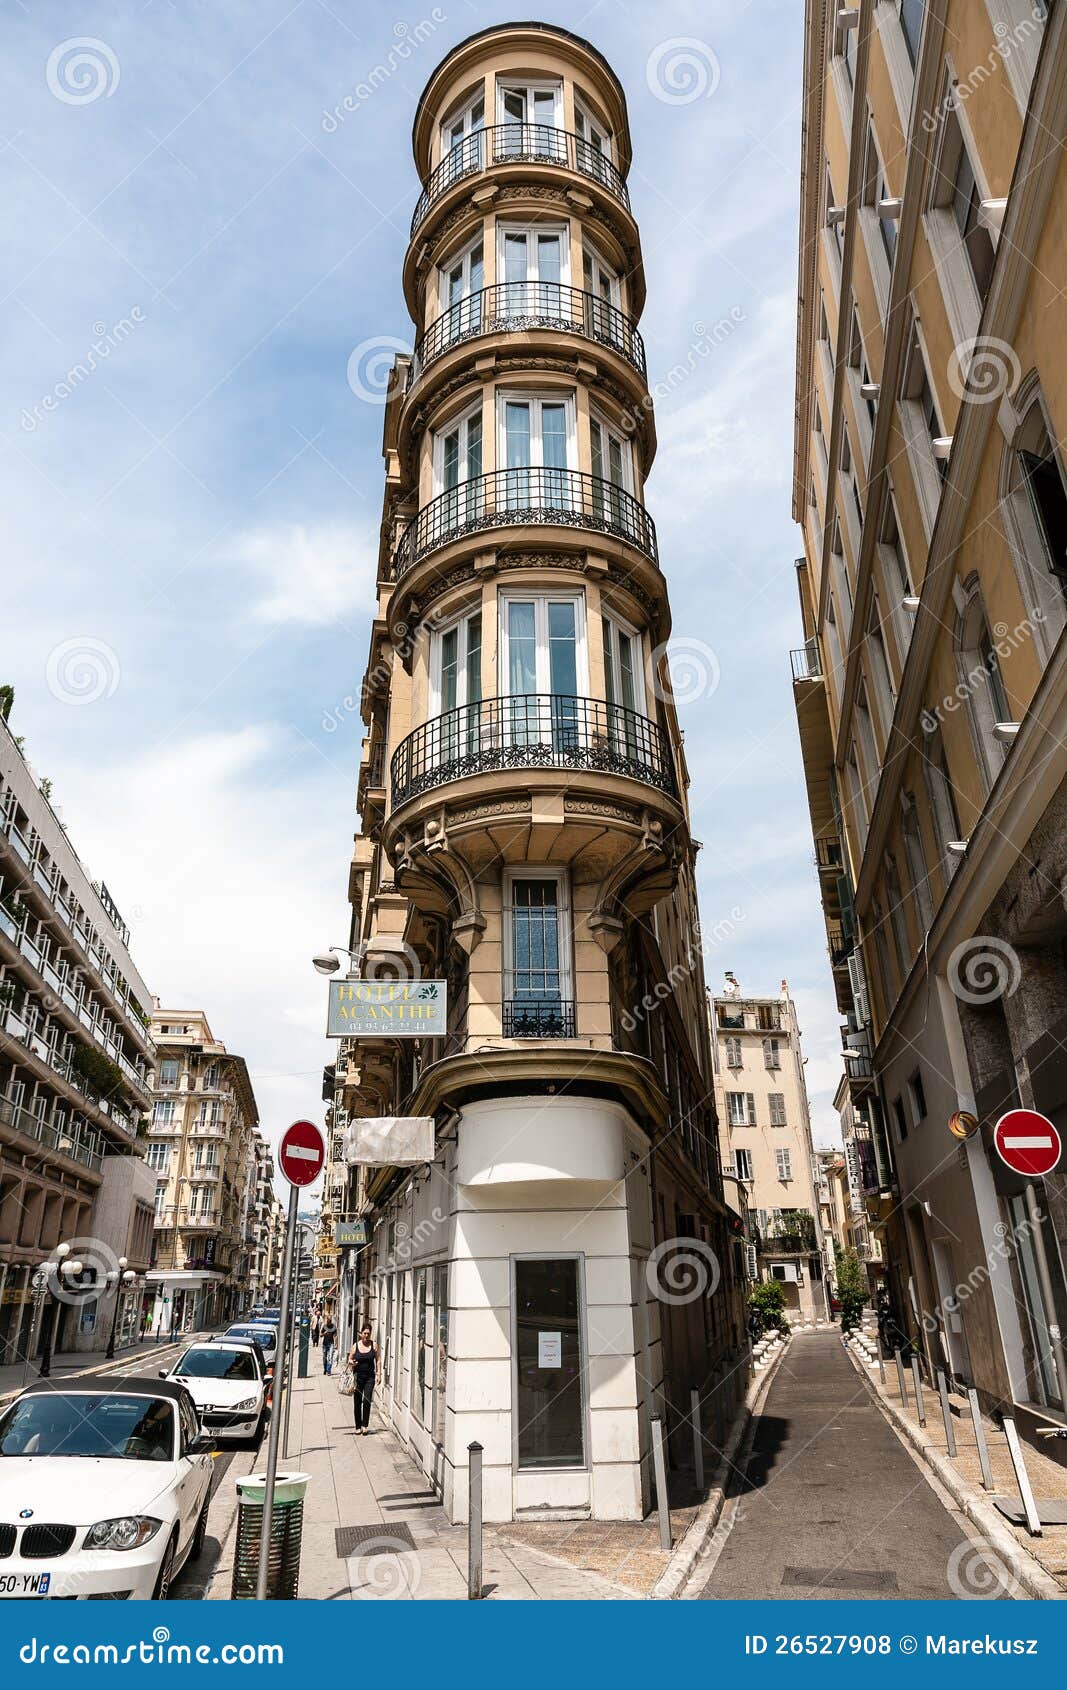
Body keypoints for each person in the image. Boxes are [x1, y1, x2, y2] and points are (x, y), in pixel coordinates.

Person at [347, 1323, 381, 1435]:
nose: (366, 1335)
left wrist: (379, 1374)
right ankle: (358, 1426)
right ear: (361, 1333)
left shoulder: (374, 1345)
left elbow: (378, 1360)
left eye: (368, 1334)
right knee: (357, 1402)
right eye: (364, 1333)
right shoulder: (355, 1346)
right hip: (357, 1378)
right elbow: (350, 1359)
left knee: (367, 1401)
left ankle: (365, 1425)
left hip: (370, 1378)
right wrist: (351, 1362)